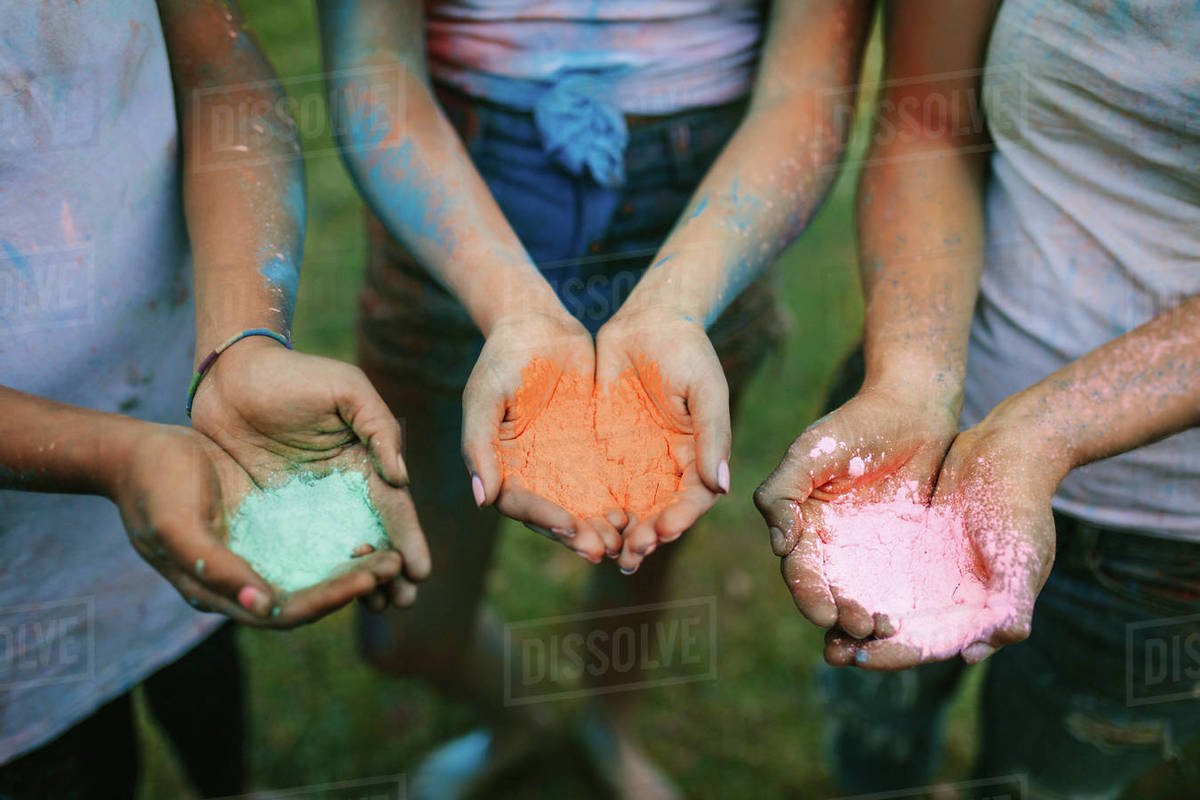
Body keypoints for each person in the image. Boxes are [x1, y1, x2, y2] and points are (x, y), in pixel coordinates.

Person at [318, 0, 874, 796]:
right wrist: (512, 306)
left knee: (642, 536)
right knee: (407, 624)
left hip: (711, 200)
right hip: (452, 186)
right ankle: (522, 714)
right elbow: (371, 58)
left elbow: (811, 85)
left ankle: (606, 724)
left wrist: (675, 308)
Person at [755, 0, 1200, 795]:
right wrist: (910, 383)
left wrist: (1042, 432)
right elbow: (929, 118)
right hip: (922, 450)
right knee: (873, 736)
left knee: (1048, 780)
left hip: (1172, 537)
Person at [0, 1, 429, 796]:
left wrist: (241, 343)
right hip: (14, 585)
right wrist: (110, 456)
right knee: (71, 768)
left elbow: (221, 67)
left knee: (201, 672)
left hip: (195, 445)